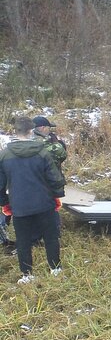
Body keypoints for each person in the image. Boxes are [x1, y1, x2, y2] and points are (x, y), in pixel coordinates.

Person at [0, 117, 66, 283]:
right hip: (45, 203)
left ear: (15, 132)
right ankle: (55, 268)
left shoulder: (4, 155)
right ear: (31, 131)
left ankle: (27, 274)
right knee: (50, 237)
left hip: (19, 206)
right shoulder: (42, 152)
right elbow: (54, 178)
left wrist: (5, 203)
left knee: (23, 241)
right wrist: (58, 195)